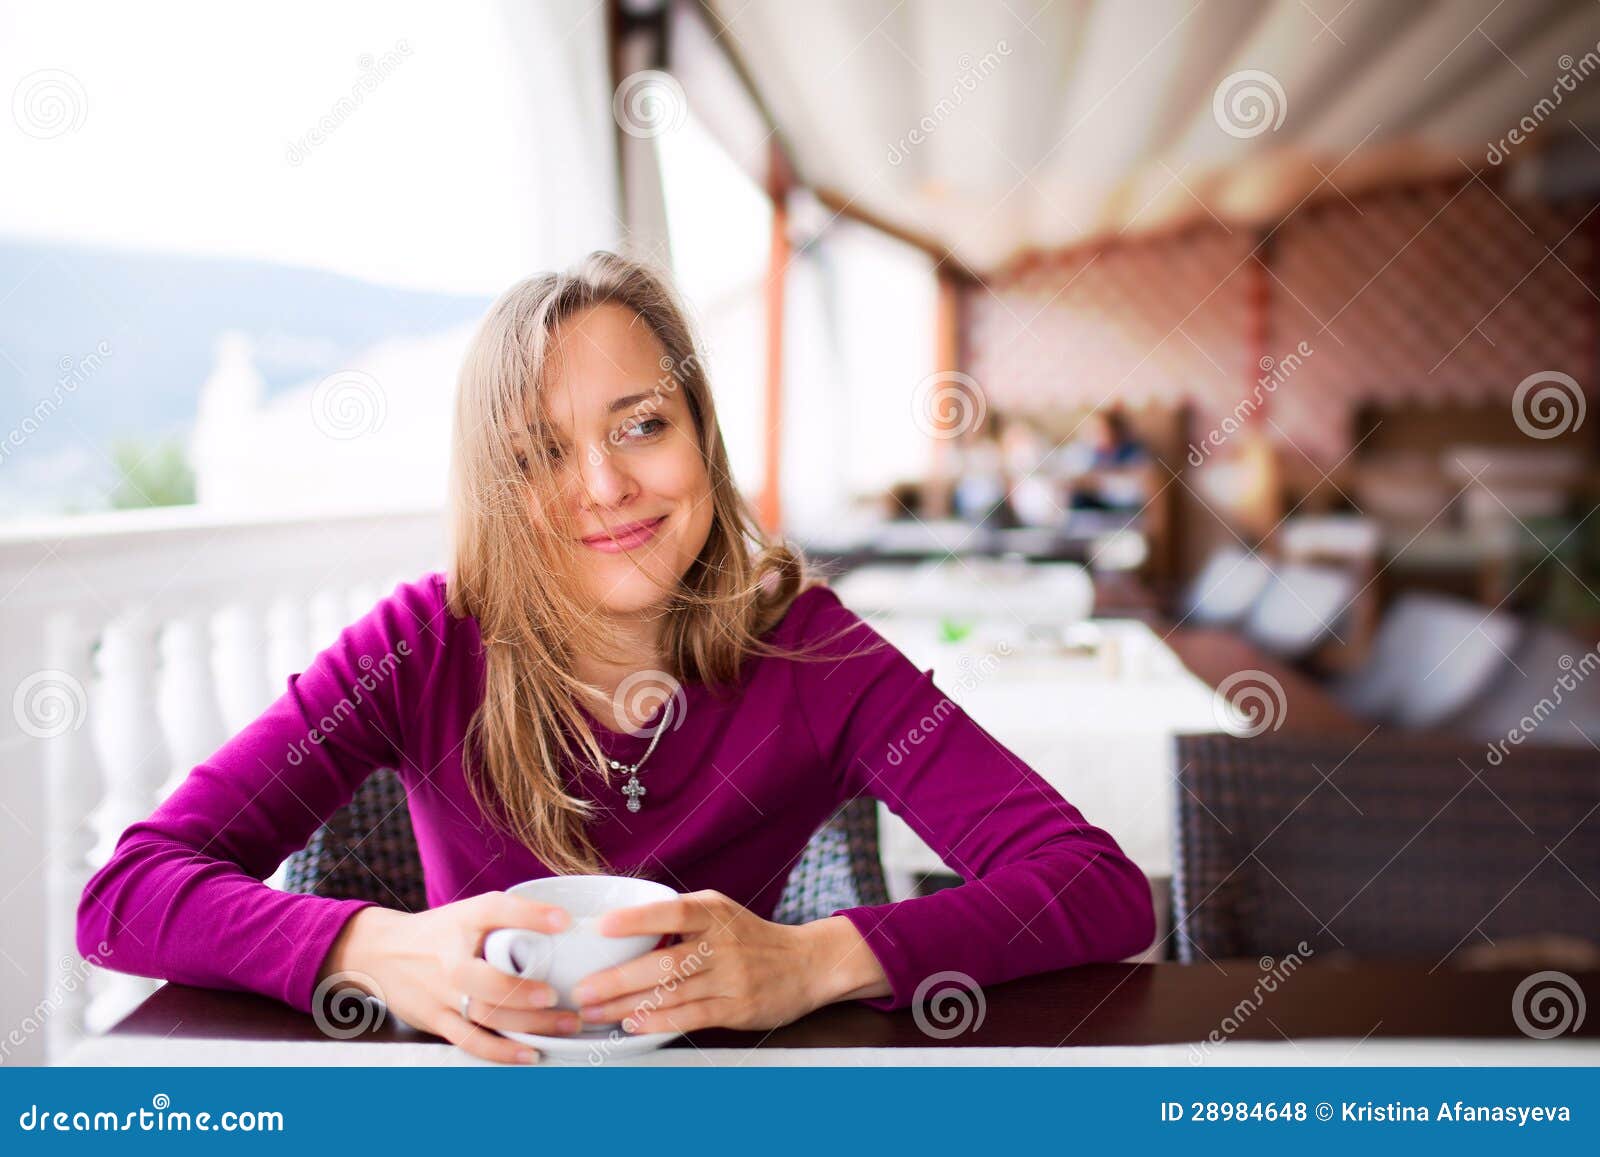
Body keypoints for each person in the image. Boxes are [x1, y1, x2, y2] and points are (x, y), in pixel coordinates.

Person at [78, 253, 1155, 1064]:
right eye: (542, 451)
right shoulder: (420, 643)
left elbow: (1096, 889)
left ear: (701, 436)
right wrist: (372, 948)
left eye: (640, 425)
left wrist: (809, 958)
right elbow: (125, 895)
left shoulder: (812, 648)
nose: (603, 486)